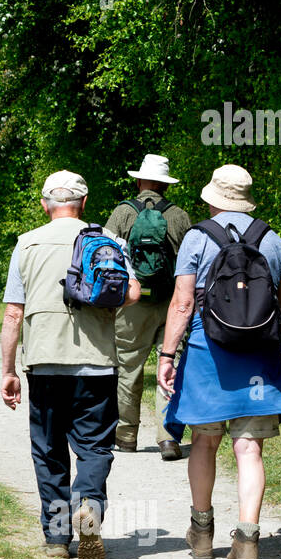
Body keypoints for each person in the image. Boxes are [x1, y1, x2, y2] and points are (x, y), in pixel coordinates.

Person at [156, 164, 281, 559]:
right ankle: (248, 541)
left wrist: (167, 356)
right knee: (249, 448)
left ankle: (202, 534)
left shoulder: (197, 238)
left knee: (203, 441)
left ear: (213, 198)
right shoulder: (271, 239)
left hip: (207, 350)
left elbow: (182, 303)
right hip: (259, 352)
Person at [1, 171, 140, 559]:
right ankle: (89, 506)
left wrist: (8, 369)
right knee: (95, 446)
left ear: (45, 204)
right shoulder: (108, 241)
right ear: (84, 202)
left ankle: (57, 537)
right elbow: (131, 292)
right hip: (97, 363)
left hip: (43, 362)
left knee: (48, 450)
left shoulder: (26, 243)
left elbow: (14, 313)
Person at [103, 154, 193, 459]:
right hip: (172, 303)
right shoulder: (179, 216)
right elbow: (191, 263)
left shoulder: (122, 213)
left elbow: (105, 257)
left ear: (139, 180)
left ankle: (126, 436)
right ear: (165, 185)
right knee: (172, 365)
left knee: (128, 367)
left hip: (132, 302)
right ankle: (168, 437)